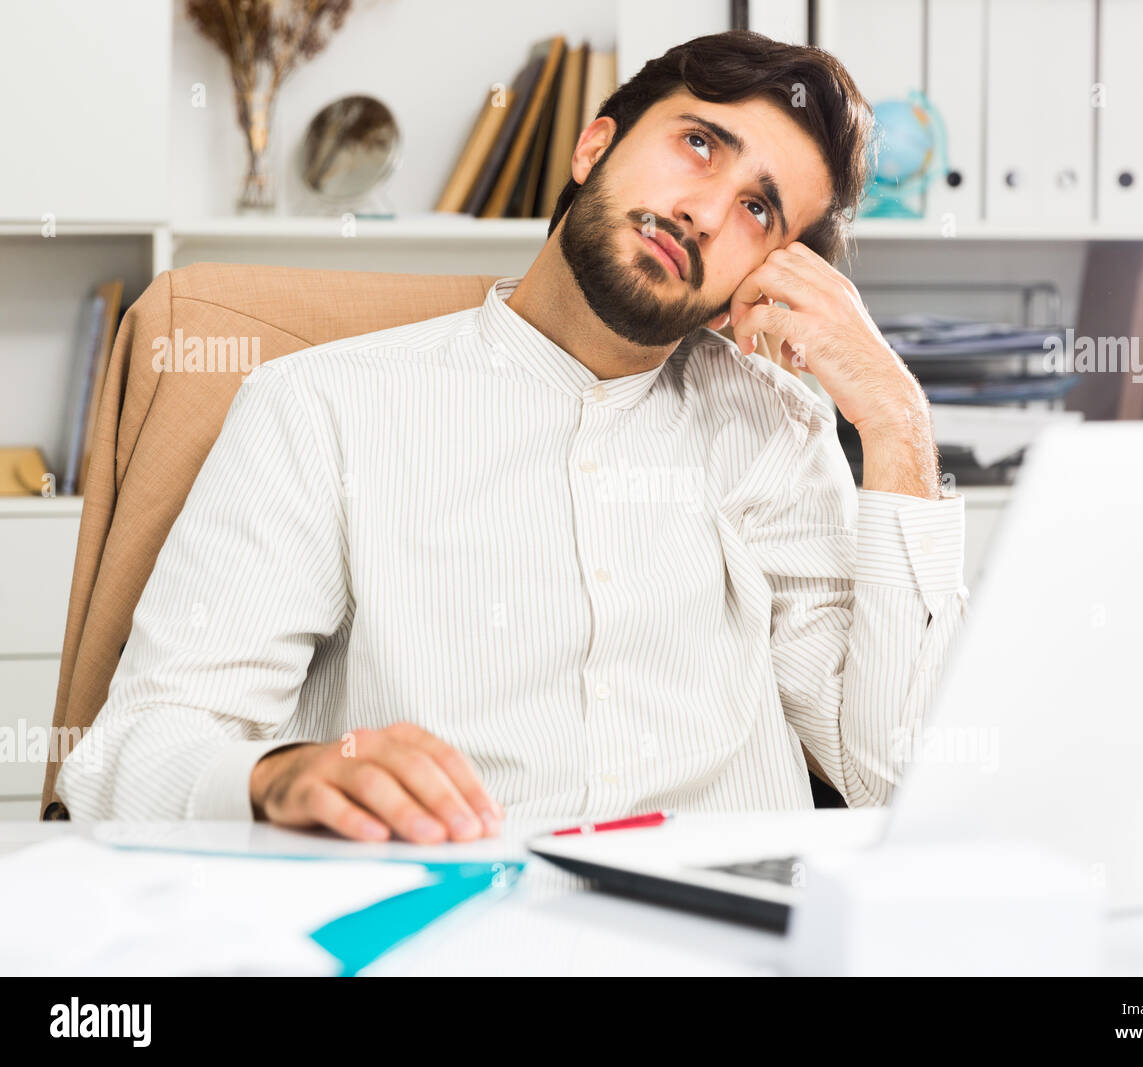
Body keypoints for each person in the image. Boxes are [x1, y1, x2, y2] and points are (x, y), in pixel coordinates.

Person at [56, 30, 968, 842]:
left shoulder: (776, 429)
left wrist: (897, 424)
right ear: (593, 145)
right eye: (698, 145)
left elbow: (892, 775)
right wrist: (274, 776)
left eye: (758, 210)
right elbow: (124, 762)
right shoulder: (321, 407)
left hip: (733, 932)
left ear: (767, 278)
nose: (703, 213)